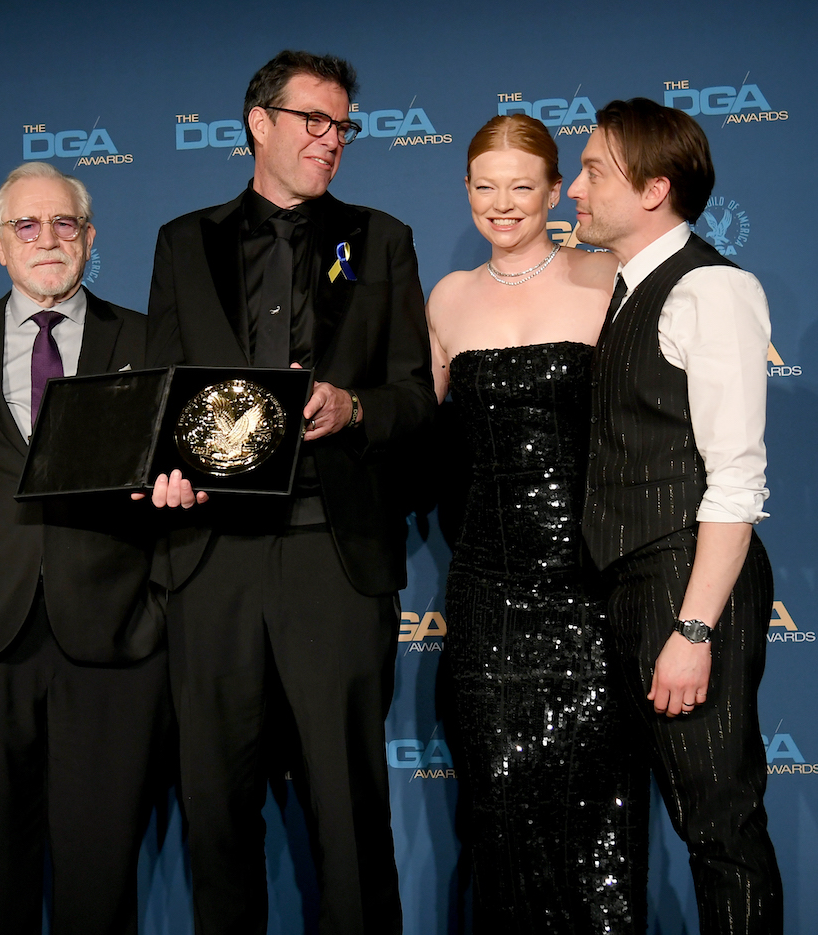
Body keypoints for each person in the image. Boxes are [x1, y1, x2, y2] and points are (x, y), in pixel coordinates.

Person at [144, 50, 435, 934]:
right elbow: (160, 394)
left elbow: (416, 399)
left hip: (332, 558)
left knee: (348, 812)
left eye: (342, 125)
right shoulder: (181, 240)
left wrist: (354, 407)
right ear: (258, 123)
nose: (331, 139)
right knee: (216, 811)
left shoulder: (381, 239)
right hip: (212, 560)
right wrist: (163, 473)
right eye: (314, 120)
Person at [0, 162, 169, 935]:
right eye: (27, 226)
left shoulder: (146, 337)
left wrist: (162, 597)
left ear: (88, 237)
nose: (47, 240)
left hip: (115, 631)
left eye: (65, 224)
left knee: (101, 867)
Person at [425, 114, 646, 932]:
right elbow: (422, 447)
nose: (504, 204)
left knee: (596, 833)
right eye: (486, 187)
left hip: (590, 591)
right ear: (468, 194)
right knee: (502, 819)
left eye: (523, 186)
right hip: (485, 596)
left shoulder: (605, 280)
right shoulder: (446, 298)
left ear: (557, 191)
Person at [571, 98, 782, 933]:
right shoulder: (626, 291)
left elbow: (736, 476)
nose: (572, 193)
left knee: (719, 823)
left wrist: (693, 630)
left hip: (685, 583)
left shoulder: (713, 287)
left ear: (654, 187)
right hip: (633, 583)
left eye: (592, 172)